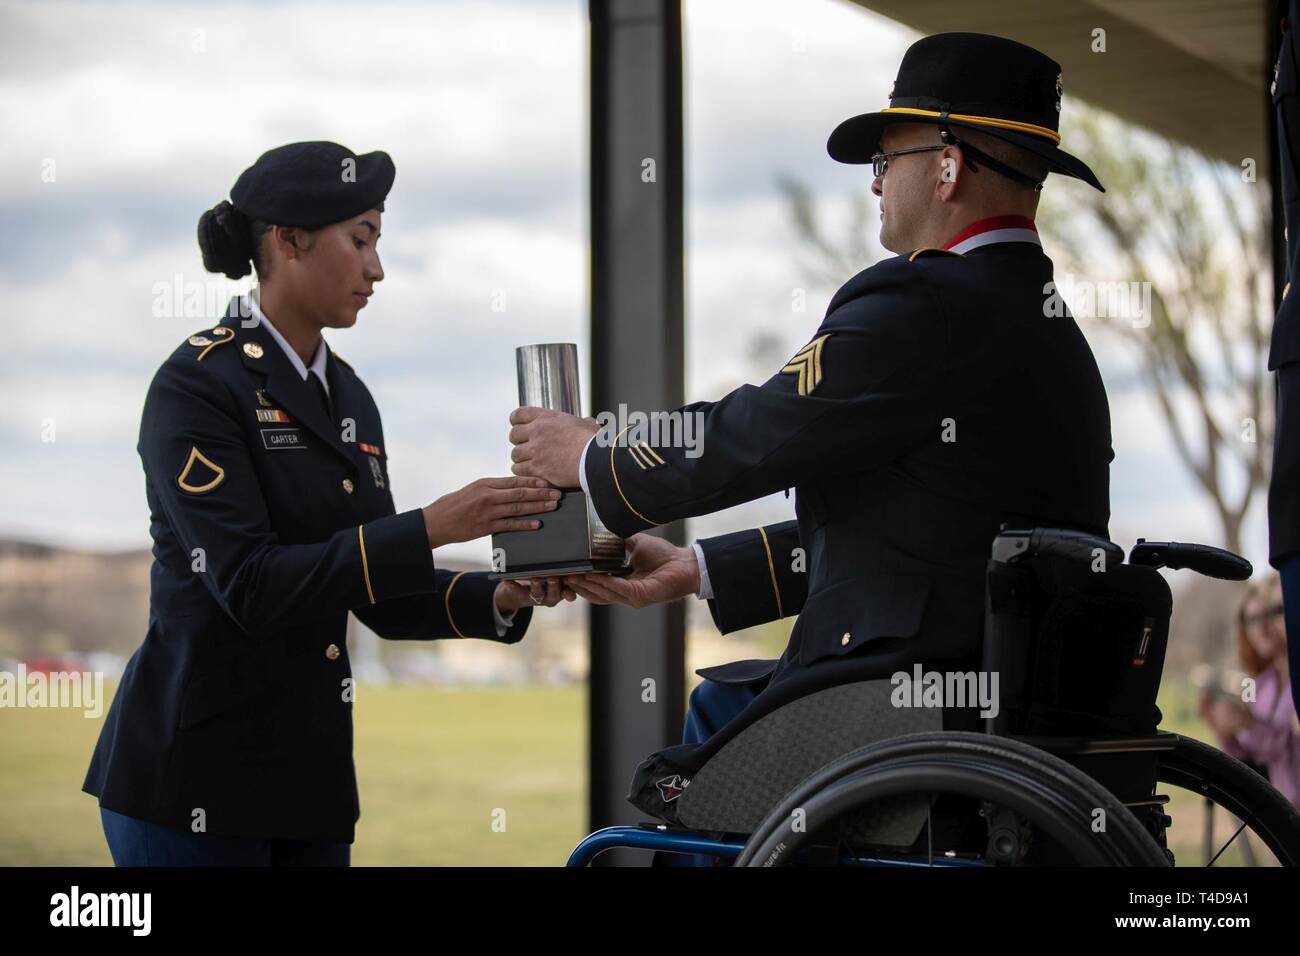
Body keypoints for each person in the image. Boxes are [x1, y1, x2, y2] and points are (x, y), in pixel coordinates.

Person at [509, 33, 1113, 748]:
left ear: (948, 167)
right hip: (1012, 702)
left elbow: (756, 432)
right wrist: (697, 568)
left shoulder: (921, 302)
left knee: (683, 773)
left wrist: (596, 453)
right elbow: (925, 534)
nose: (876, 183)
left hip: (903, 709)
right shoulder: (1052, 329)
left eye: (888, 159)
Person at [83, 141, 570, 866]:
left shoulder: (348, 395)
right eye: (362, 239)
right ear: (288, 241)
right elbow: (251, 585)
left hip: (307, 787)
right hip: (193, 784)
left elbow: (379, 594)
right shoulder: (197, 385)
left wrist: (502, 592)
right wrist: (435, 525)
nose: (377, 267)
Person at [1200, 575, 1300, 807]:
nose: (1261, 628)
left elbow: (1287, 747)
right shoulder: (1254, 685)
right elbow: (1251, 757)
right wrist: (1225, 731)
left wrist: (1249, 724)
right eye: (1250, 620)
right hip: (1282, 814)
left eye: (1268, 615)